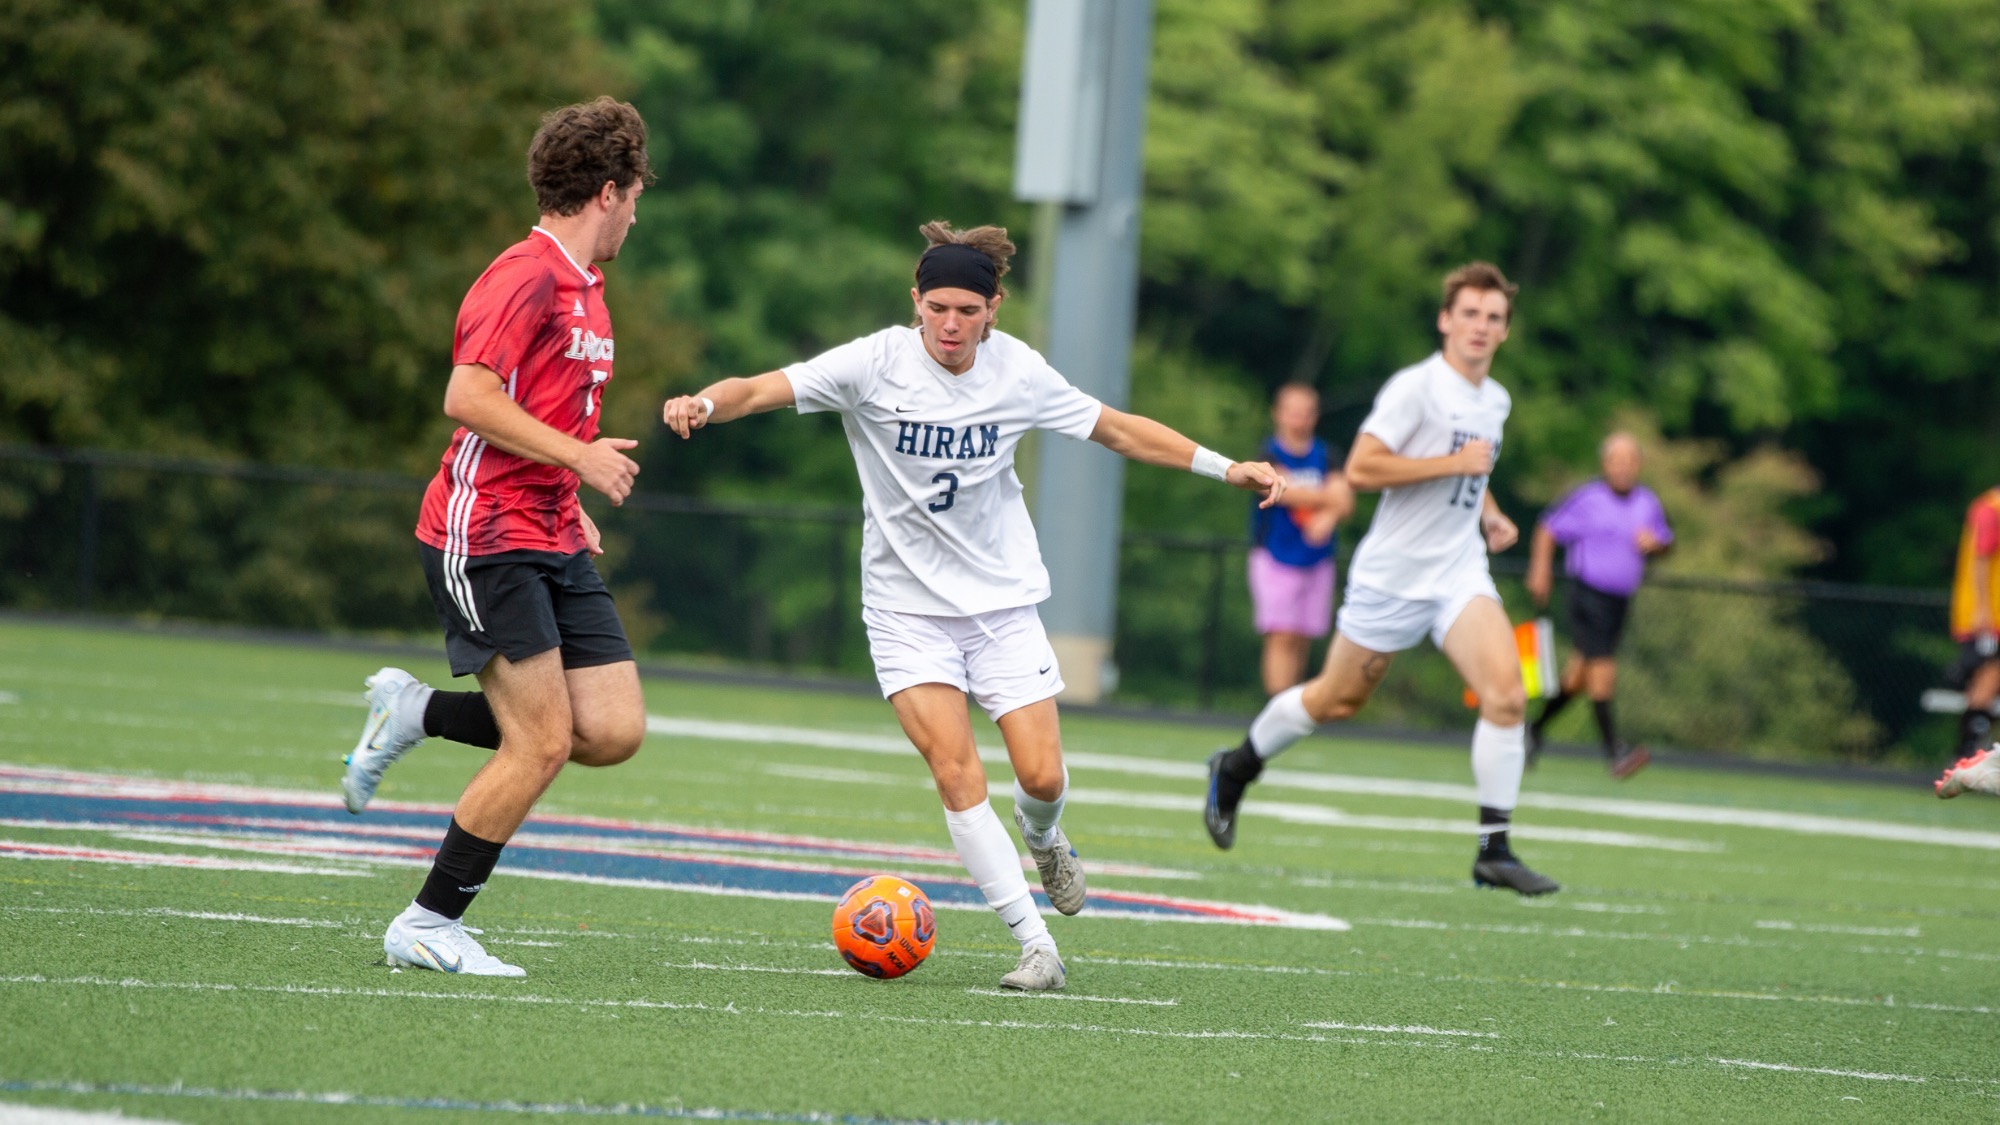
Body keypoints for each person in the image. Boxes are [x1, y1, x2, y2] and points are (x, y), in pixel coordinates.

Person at [660, 221, 1284, 990]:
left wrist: (1227, 469)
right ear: (915, 301)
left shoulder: (1018, 371)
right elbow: (759, 388)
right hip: (904, 612)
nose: (950, 324)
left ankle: (1045, 836)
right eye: (937, 307)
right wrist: (702, 403)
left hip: (1001, 606)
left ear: (995, 308)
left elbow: (1117, 429)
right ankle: (1036, 946)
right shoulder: (874, 362)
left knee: (1044, 776)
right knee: (957, 773)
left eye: (967, 309)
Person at [337, 97, 655, 976]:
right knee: (544, 741)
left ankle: (415, 712)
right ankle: (427, 922)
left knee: (613, 728)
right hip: (484, 536)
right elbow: (469, 397)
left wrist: (567, 483)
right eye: (634, 196)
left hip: (548, 525)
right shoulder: (526, 274)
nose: (636, 213)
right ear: (607, 191)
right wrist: (581, 460)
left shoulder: (586, 285)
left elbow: (538, 410)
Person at [1202, 262, 1559, 896]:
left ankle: (1493, 849)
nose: (1481, 326)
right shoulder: (1415, 388)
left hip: (1458, 571)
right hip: (1393, 578)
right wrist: (1455, 462)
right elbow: (1363, 468)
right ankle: (1236, 766)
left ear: (1505, 331)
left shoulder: (1494, 399)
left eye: (1494, 317)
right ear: (1446, 320)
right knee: (1335, 700)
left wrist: (1493, 513)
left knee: (1507, 696)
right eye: (1470, 314)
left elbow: (1471, 473)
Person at [1522, 432, 1671, 779]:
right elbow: (1547, 529)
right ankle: (1614, 751)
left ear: (1639, 465)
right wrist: (1540, 569)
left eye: (1629, 461)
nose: (1622, 468)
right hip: (1587, 595)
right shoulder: (1589, 498)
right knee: (1603, 672)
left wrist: (1656, 546)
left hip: (1620, 602)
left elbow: (1664, 541)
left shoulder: (1647, 503)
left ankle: (1533, 730)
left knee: (1578, 677)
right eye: (1615, 461)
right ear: (1605, 465)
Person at [1248, 384, 1355, 695]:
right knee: (1280, 634)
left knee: (1301, 637)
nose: (1300, 420)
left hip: (1317, 559)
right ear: (1278, 414)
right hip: (1275, 555)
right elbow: (1278, 489)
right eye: (1293, 413)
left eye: (1306, 413)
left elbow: (1345, 503)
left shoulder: (1328, 454)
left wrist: (1328, 513)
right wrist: (1328, 500)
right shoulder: (1267, 453)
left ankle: (1289, 705)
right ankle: (1276, 704)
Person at [1936, 487, 2000, 797]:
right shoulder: (1992, 508)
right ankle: (1973, 757)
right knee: (1987, 680)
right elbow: (1981, 558)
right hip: (1993, 618)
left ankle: (1978, 758)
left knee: (1987, 683)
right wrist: (1984, 611)